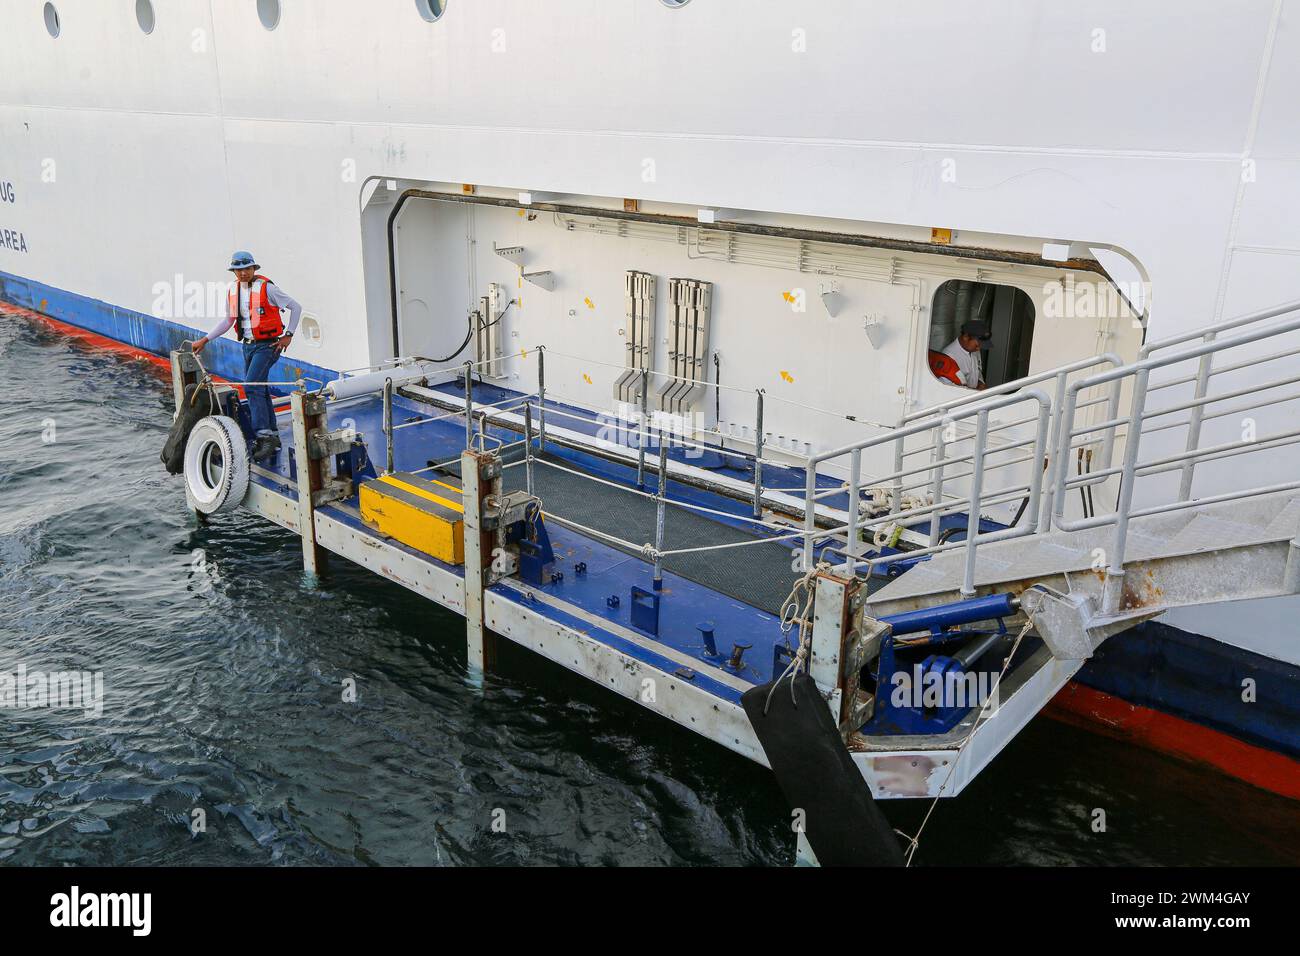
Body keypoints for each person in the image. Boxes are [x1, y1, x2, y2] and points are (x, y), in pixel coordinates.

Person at [192, 251, 303, 459]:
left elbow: (296, 307)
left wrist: (288, 335)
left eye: (247, 269)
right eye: (239, 270)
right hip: (248, 346)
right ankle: (272, 434)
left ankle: (264, 436)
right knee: (260, 387)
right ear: (234, 272)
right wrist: (205, 340)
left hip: (268, 345)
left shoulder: (268, 288)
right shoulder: (233, 290)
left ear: (254, 269)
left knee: (252, 386)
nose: (243, 273)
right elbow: (228, 321)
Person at [941, 320, 991, 390]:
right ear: (966, 337)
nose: (979, 349)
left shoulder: (974, 350)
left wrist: (980, 383)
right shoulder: (948, 357)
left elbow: (977, 370)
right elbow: (949, 389)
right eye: (977, 345)